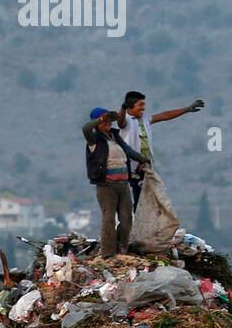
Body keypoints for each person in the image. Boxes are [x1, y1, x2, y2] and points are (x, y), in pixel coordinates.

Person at [116, 91, 205, 208]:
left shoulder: (144, 119)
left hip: (146, 166)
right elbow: (120, 121)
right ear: (130, 105)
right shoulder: (126, 120)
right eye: (140, 105)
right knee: (139, 198)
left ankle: (144, 221)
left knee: (147, 199)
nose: (143, 108)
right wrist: (123, 108)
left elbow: (164, 116)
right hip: (133, 168)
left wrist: (187, 109)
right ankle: (138, 223)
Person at [82, 108, 150, 257]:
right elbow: (85, 128)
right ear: (97, 123)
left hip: (123, 184)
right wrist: (101, 118)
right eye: (103, 121)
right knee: (109, 219)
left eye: (108, 121)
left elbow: (128, 151)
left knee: (127, 219)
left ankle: (122, 248)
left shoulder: (115, 136)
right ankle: (108, 253)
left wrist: (143, 159)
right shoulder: (94, 139)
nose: (107, 123)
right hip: (106, 186)